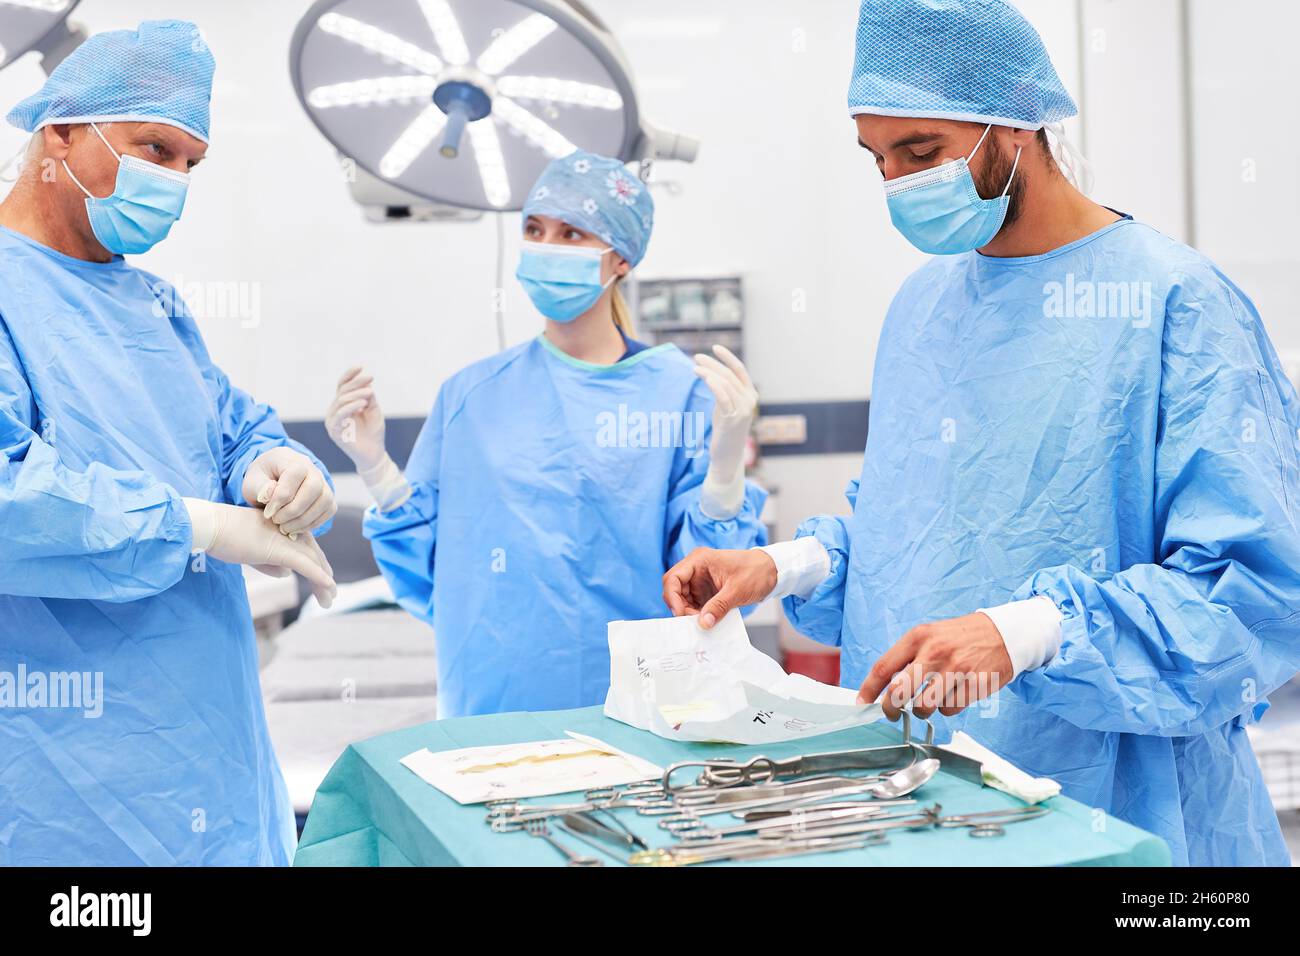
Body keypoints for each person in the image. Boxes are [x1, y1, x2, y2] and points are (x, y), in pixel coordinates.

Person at [662, 0, 1300, 866]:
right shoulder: (922, 310)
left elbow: (1253, 590)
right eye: (878, 158)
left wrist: (1029, 632)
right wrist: (784, 566)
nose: (897, 183)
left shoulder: (1175, 303)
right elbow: (924, 535)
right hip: (925, 796)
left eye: (920, 151)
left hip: (1123, 808)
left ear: (1018, 122)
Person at [0, 21, 339, 865]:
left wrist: (272, 469)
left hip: (210, 757)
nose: (175, 182)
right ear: (63, 132)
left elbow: (222, 428)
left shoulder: (154, 306)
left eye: (192, 163)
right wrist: (203, 527)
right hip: (67, 776)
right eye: (155, 148)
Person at [326, 150, 768, 717]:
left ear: (621, 260)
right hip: (491, 704)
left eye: (572, 233)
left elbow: (711, 592)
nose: (547, 246)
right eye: (535, 229)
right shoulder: (471, 396)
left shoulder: (679, 392)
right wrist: (377, 471)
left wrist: (727, 470)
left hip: (638, 707)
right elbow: (434, 575)